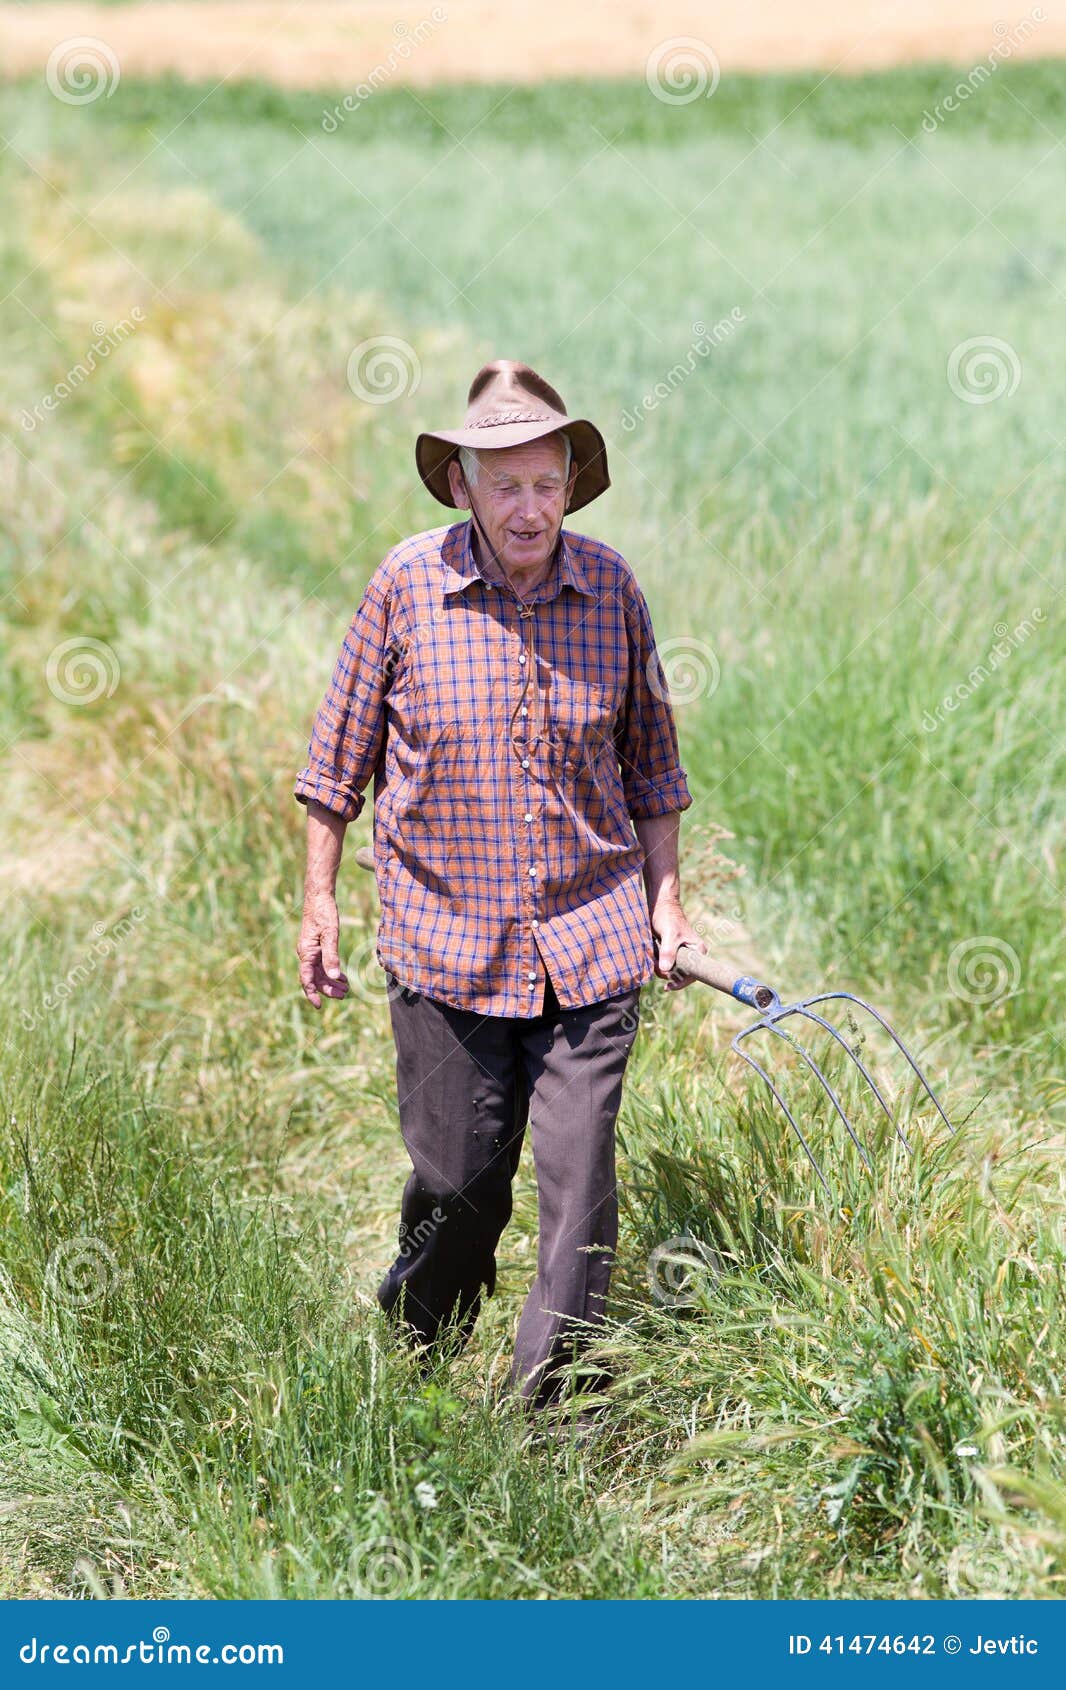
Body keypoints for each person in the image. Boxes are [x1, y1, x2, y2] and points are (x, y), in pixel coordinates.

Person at [294, 359, 705, 1424]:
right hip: (444, 946)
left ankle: (551, 1420)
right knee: (459, 1183)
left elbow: (653, 767)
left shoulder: (610, 590)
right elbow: (333, 764)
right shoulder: (406, 587)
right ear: (463, 488)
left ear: (570, 487)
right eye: (505, 485)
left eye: (546, 484)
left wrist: (663, 901)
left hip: (589, 938)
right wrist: (321, 902)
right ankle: (417, 1359)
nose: (529, 508)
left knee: (578, 1183)